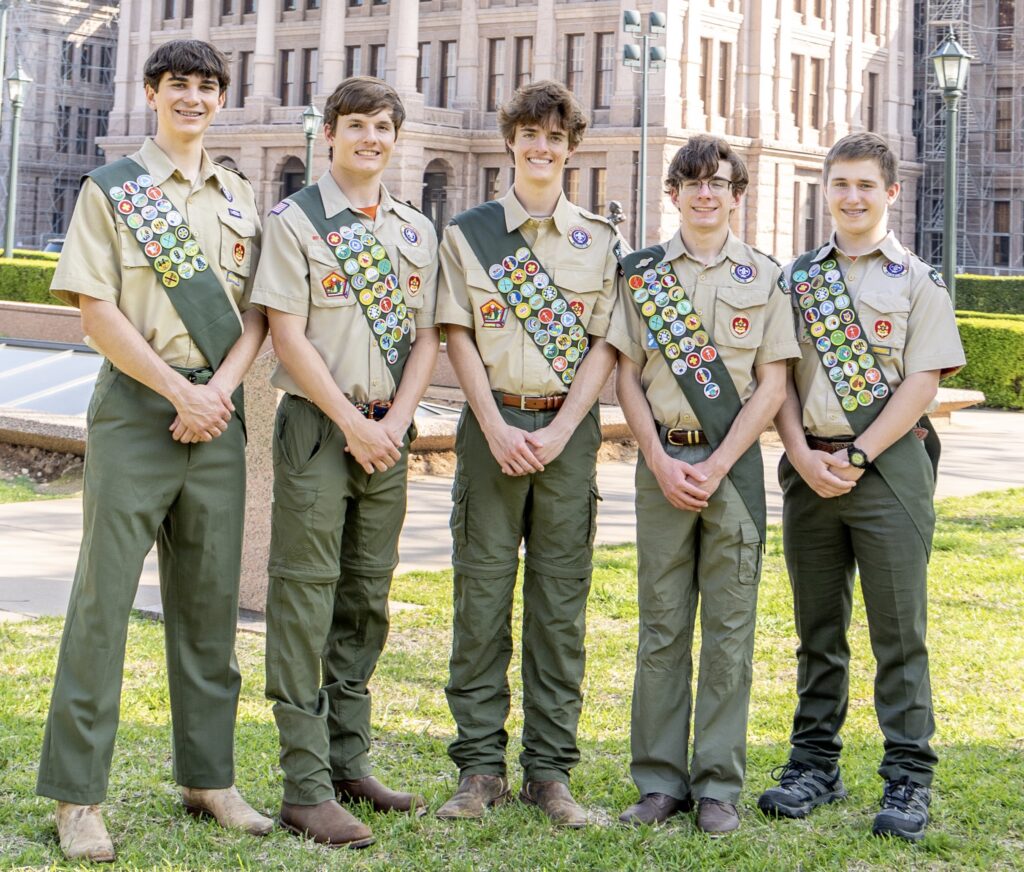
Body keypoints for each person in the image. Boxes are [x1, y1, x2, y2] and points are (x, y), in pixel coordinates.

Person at [37, 40, 272, 863]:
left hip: (217, 418)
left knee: (211, 611)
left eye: (208, 87)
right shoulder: (112, 192)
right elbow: (95, 311)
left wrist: (216, 395)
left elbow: (256, 318)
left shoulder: (241, 197)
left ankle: (209, 778)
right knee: (102, 608)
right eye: (180, 85)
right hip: (140, 412)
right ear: (151, 92)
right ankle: (77, 798)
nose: (194, 99)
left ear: (220, 100)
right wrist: (181, 394)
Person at [757, 132, 965, 842]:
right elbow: (776, 377)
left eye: (865, 186)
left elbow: (925, 380)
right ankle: (814, 763)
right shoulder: (796, 279)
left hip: (888, 470)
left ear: (891, 193)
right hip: (808, 470)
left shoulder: (916, 282)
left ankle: (909, 776)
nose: (851, 197)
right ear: (826, 190)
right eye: (839, 184)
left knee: (898, 633)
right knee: (818, 631)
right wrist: (800, 452)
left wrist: (859, 452)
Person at [250, 76, 439, 849]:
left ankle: (348, 760)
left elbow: (429, 335)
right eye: (356, 125)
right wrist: (353, 424)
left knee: (366, 593)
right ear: (329, 133)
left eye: (383, 127)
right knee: (305, 596)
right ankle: (303, 785)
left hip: (387, 432)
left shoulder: (415, 229)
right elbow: (286, 333)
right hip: (321, 430)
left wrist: (393, 421)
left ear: (396, 138)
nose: (370, 138)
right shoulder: (296, 222)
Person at [433, 80, 621, 828]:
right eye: (529, 135)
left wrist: (561, 428)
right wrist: (498, 426)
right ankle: (479, 768)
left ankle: (551, 774)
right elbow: (457, 337)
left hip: (566, 435)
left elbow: (605, 345)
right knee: (480, 600)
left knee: (559, 606)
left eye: (555, 137)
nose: (541, 148)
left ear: (572, 148)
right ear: (510, 141)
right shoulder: (469, 233)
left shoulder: (601, 242)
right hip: (492, 430)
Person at [608, 135, 798, 835]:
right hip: (662, 463)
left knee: (728, 631)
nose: (705, 194)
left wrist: (717, 465)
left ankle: (718, 783)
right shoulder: (644, 273)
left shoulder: (767, 278)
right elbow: (625, 373)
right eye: (691, 183)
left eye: (718, 183)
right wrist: (657, 457)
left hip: (734, 470)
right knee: (661, 628)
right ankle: (658, 782)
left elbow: (773, 383)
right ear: (674, 194)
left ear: (737, 196)